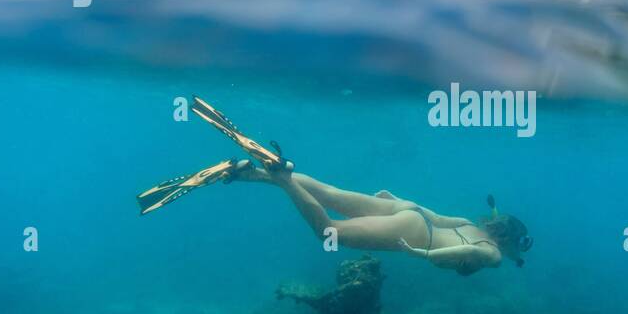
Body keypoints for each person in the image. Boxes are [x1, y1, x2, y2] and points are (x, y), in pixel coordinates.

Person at [137, 98, 532, 277]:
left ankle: (249, 172)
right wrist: (428, 257)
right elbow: (472, 252)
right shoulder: (494, 253)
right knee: (329, 231)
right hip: (415, 235)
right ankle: (279, 175)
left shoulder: (470, 221)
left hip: (409, 213)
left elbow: (435, 214)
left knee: (327, 191)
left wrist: (395, 201)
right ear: (510, 240)